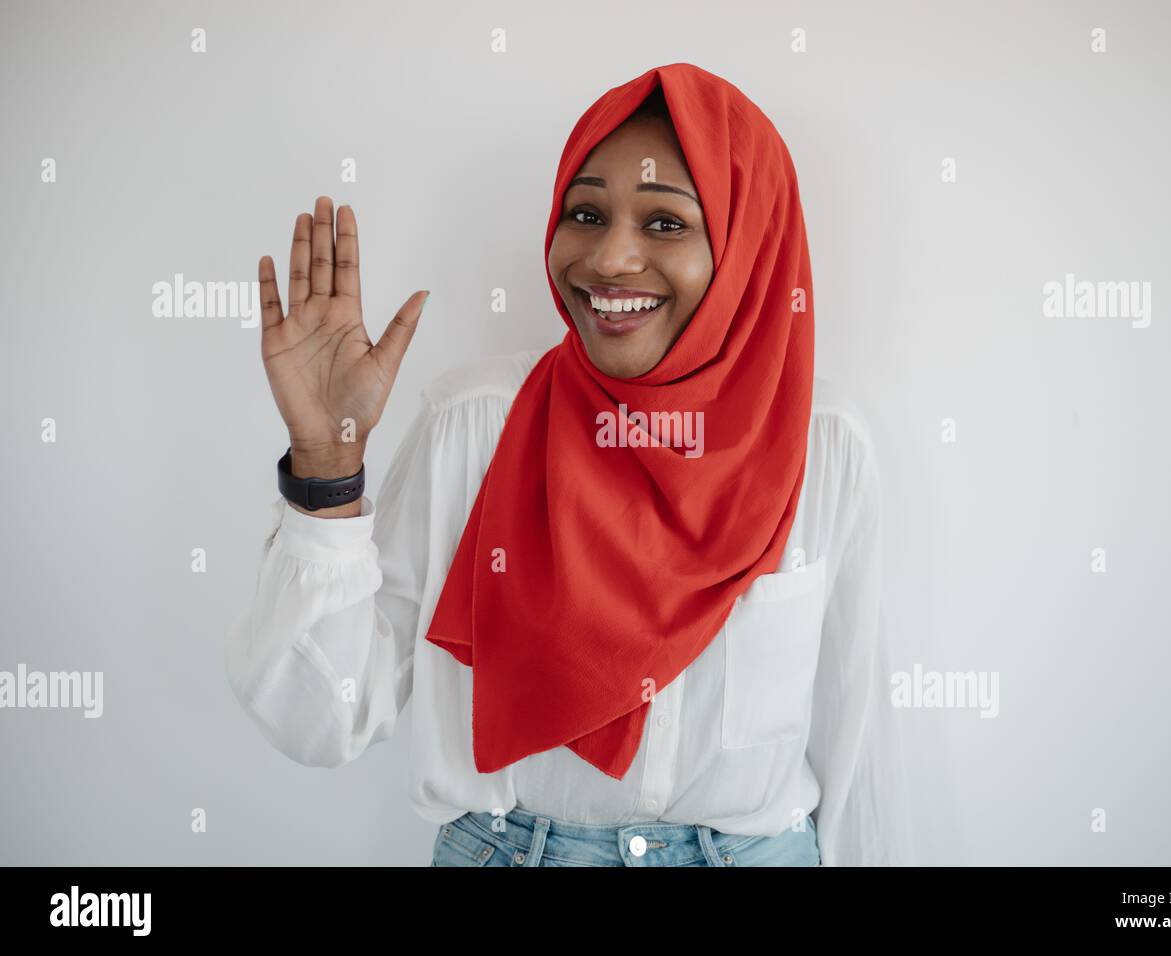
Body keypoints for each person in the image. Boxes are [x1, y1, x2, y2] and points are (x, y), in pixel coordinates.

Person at [226, 62, 913, 867]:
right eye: (586, 213)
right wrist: (326, 464)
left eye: (665, 224)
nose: (611, 259)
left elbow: (855, 737)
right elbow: (321, 721)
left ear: (748, 248)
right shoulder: (475, 423)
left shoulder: (824, 446)